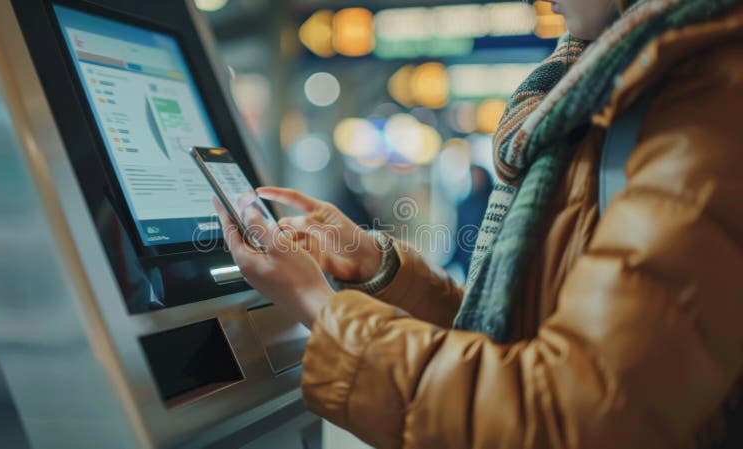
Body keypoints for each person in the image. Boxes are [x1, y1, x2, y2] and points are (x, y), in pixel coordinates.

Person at [213, 0, 743, 446]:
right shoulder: (612, 94)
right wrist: (379, 269)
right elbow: (518, 337)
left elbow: (565, 417)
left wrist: (319, 306)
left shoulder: (708, 103)